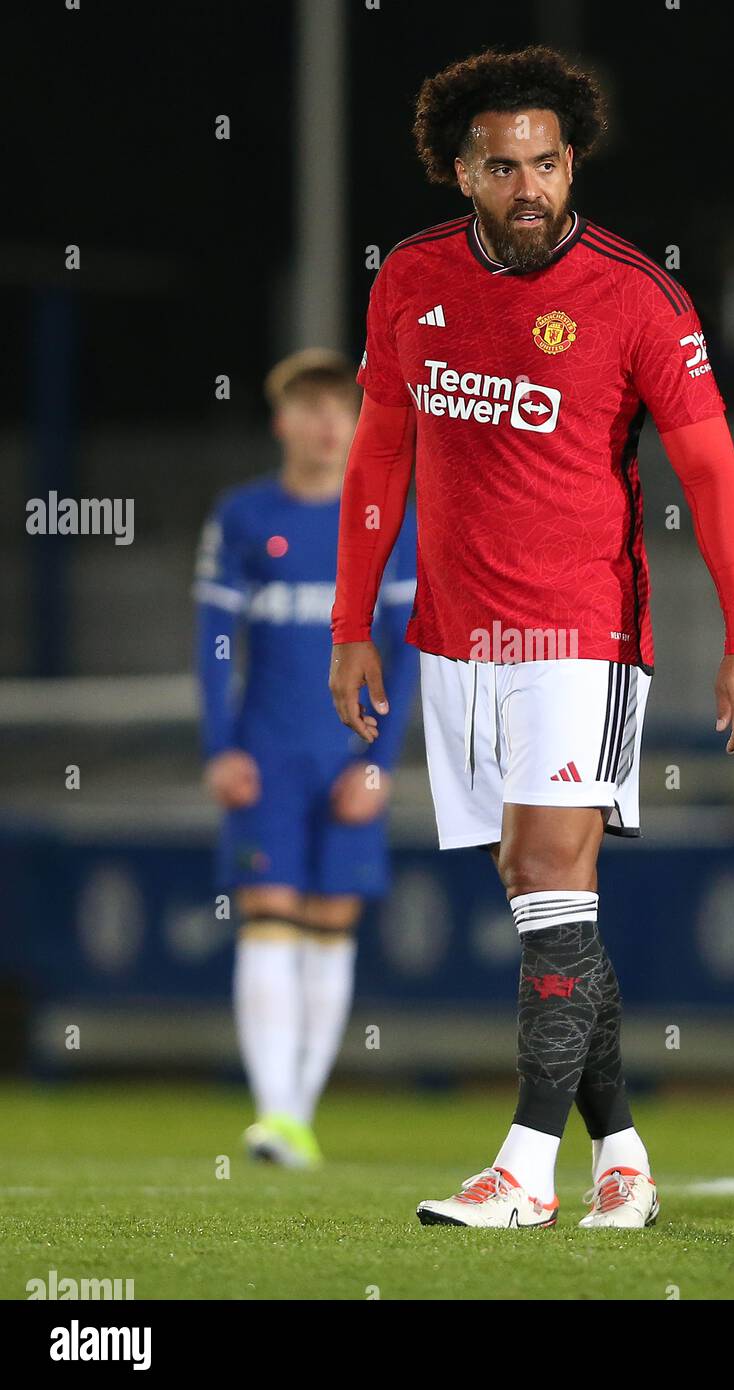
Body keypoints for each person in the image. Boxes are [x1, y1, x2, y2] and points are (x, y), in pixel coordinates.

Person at [329, 47, 734, 1227]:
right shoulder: (410, 282)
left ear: (572, 159)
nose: (528, 186)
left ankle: (524, 1170)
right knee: (545, 902)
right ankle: (621, 1155)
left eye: (546, 162)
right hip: (454, 640)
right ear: (460, 174)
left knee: (550, 884)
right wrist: (353, 624)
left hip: (582, 631)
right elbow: (378, 456)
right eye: (502, 168)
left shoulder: (637, 295)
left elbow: (713, 476)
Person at [195, 349, 418, 1168]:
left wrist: (380, 762)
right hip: (267, 753)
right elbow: (216, 641)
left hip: (347, 755)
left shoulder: (389, 516)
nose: (328, 423)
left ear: (359, 420)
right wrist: (220, 747)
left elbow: (407, 647)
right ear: (282, 420)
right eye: (309, 407)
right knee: (266, 917)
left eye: (341, 407)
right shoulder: (244, 516)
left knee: (330, 926)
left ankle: (297, 1115)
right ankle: (278, 1116)